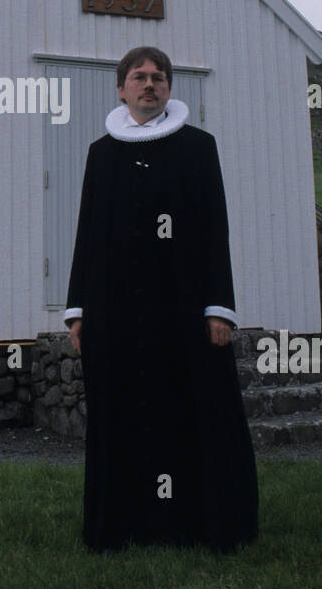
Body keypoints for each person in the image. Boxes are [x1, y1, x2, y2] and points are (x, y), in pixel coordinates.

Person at [65, 46, 259, 555]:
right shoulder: (101, 153)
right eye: (139, 77)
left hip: (184, 307)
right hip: (114, 312)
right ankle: (126, 525)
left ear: (170, 87)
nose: (150, 84)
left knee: (195, 410)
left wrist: (219, 306)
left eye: (159, 77)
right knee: (123, 413)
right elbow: (88, 234)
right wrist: (78, 309)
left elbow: (215, 229)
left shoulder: (197, 147)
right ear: (121, 87)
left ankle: (202, 524)